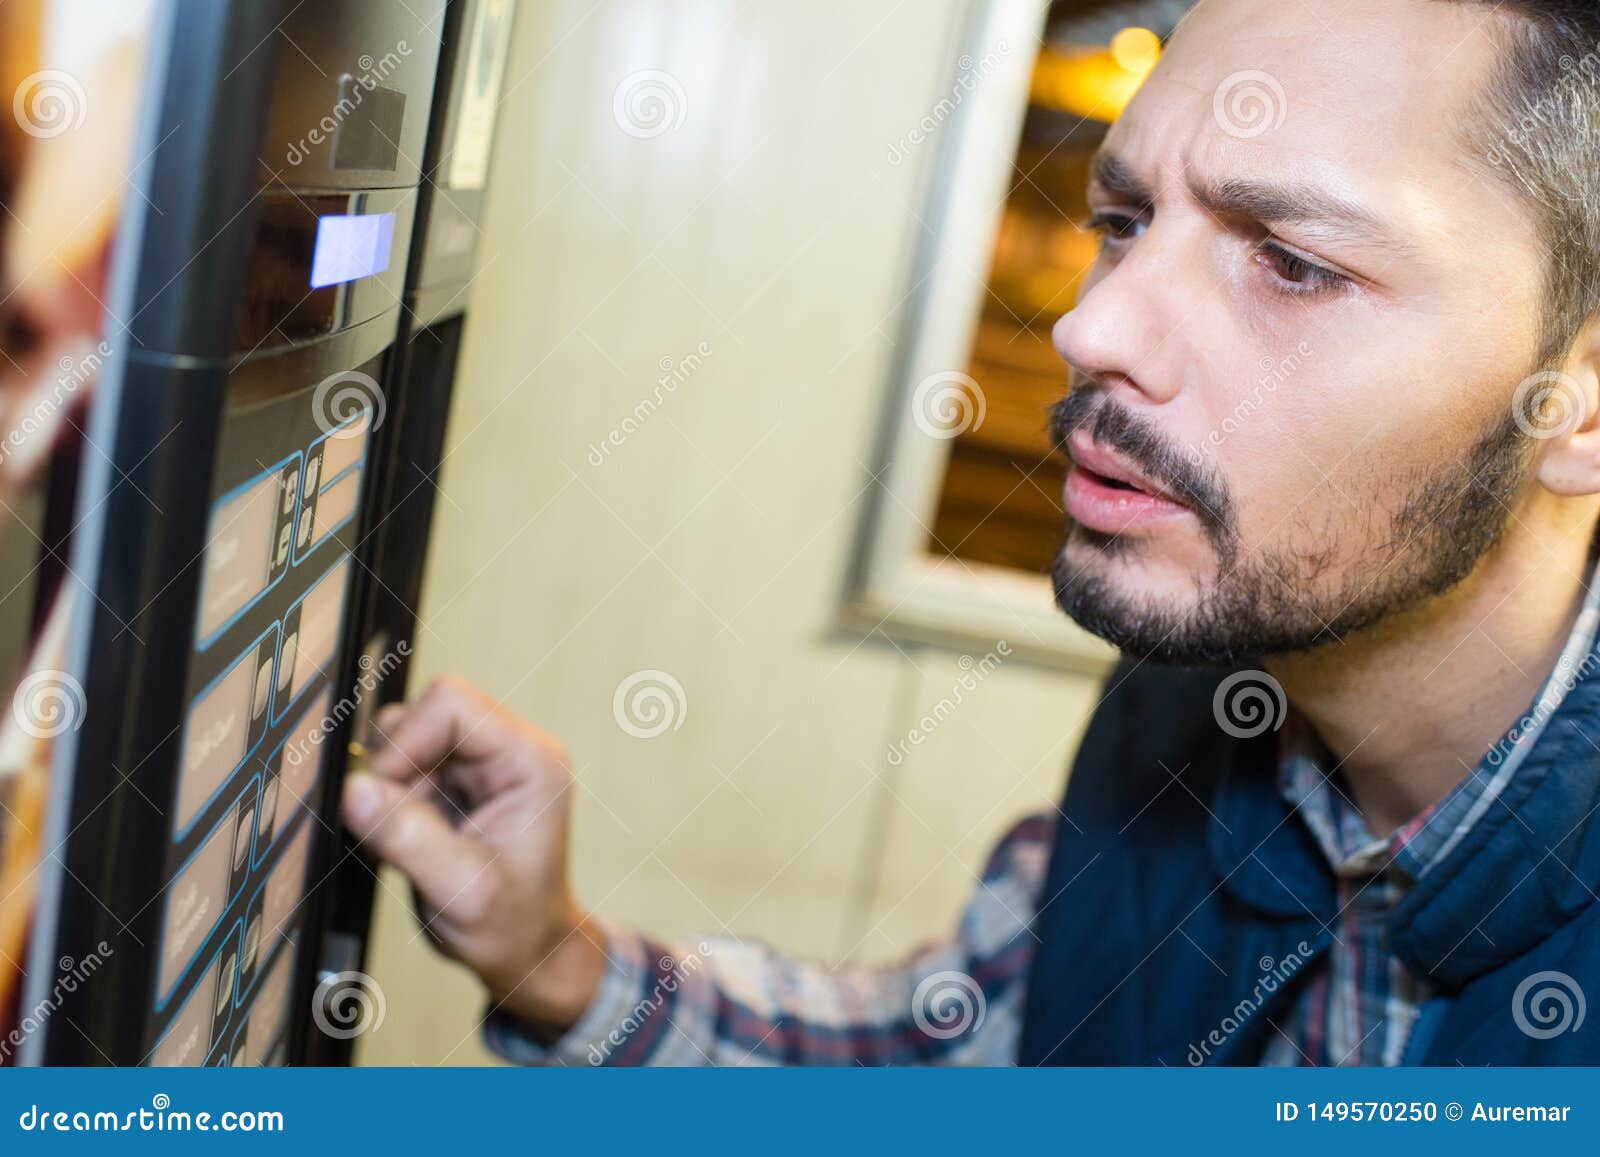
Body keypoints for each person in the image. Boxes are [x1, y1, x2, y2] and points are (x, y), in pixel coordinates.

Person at [341, 0, 1600, 1065]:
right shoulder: (1196, 702)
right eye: (1123, 222)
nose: (1091, 331)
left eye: (1290, 263)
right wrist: (557, 957)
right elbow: (970, 1044)